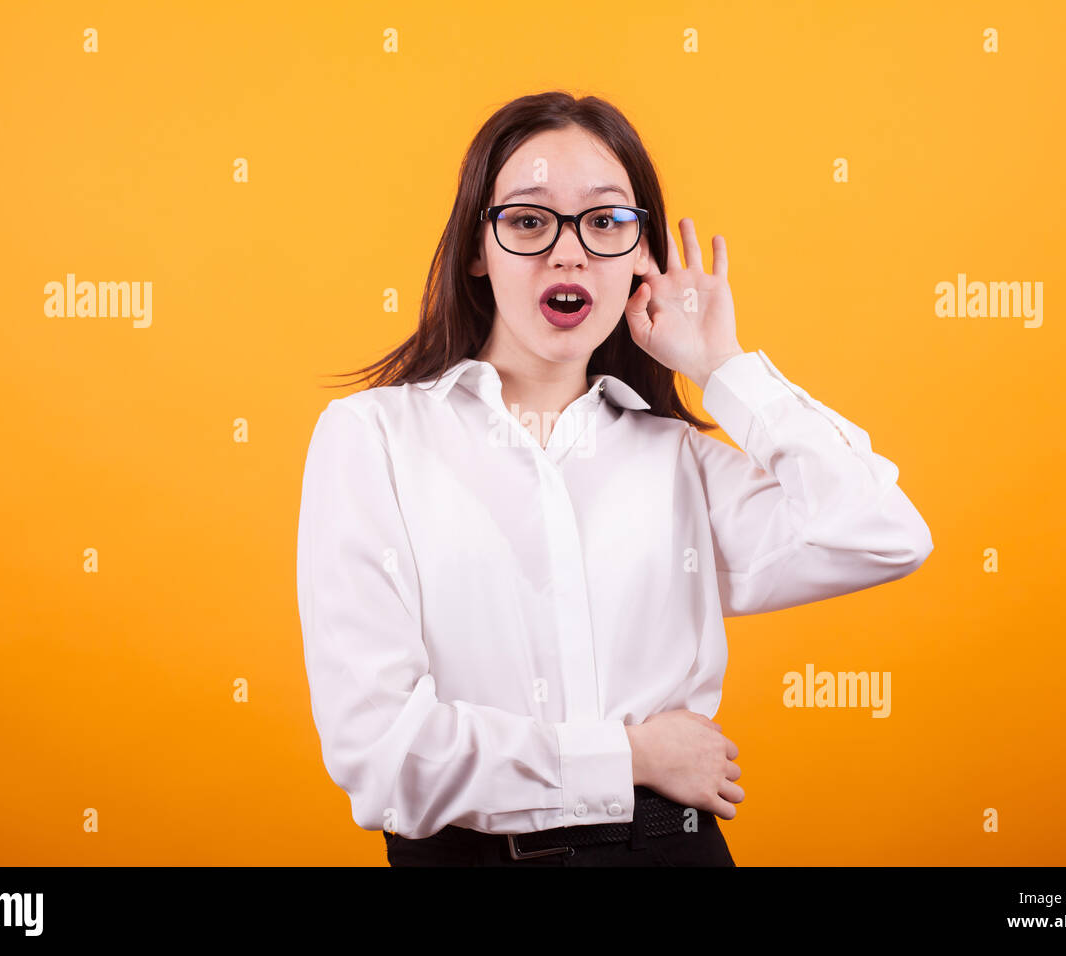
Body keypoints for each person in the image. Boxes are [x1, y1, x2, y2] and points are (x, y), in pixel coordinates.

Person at [295, 91, 933, 866]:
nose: (569, 252)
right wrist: (631, 757)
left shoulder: (677, 464)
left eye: (604, 222)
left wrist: (721, 367)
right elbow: (384, 758)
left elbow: (881, 533)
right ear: (477, 248)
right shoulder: (375, 441)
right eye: (528, 221)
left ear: (640, 256)